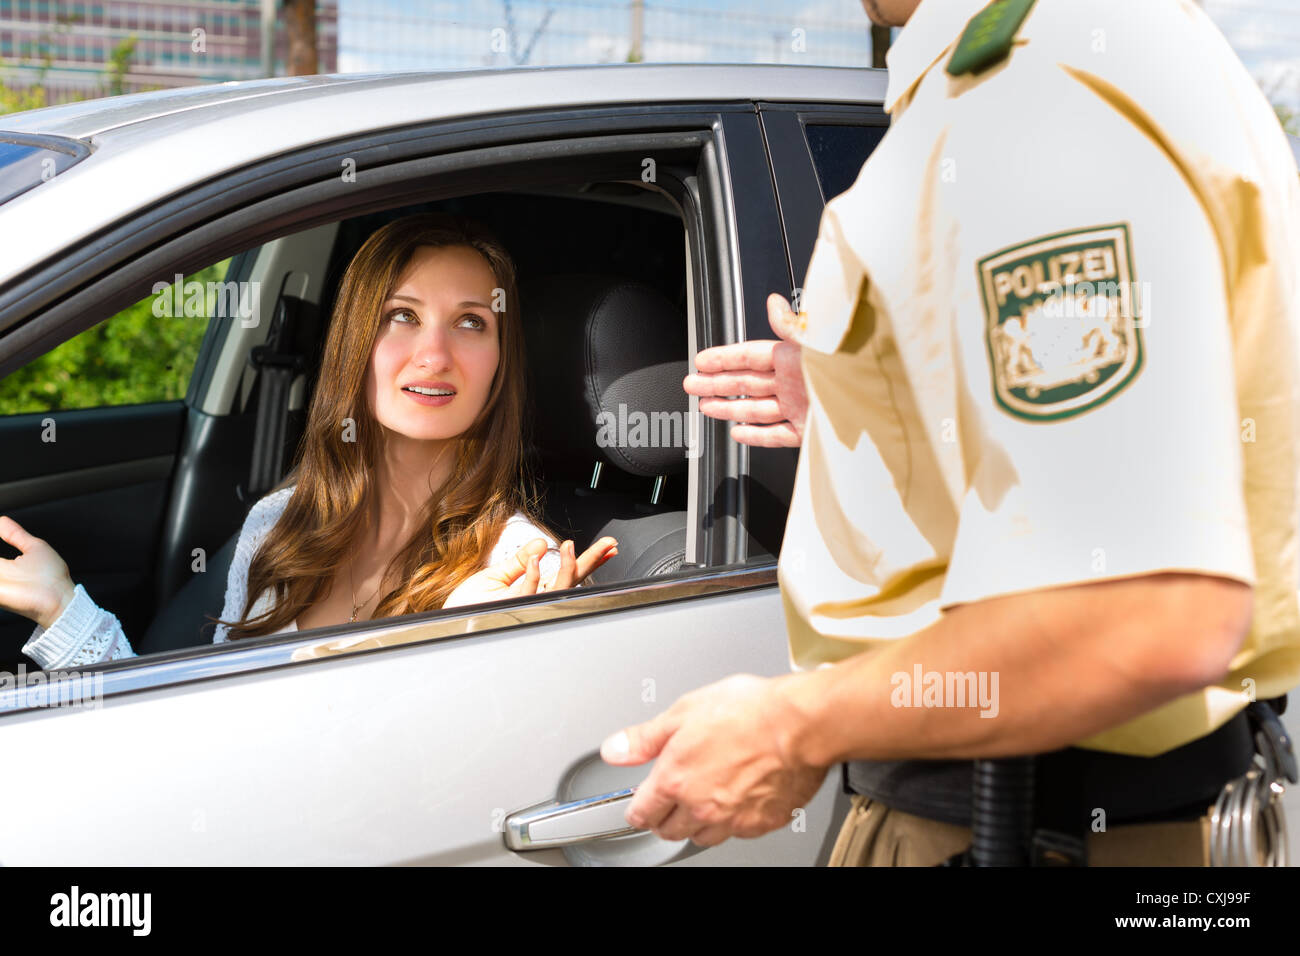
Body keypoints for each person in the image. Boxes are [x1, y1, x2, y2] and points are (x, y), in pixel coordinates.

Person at [600, 0, 1300, 866]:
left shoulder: (1034, 87)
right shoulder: (1090, 47)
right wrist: (870, 404)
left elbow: (1143, 609)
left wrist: (793, 727)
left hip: (1024, 827)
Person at [0, 213, 619, 669]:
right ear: (356, 341)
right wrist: (62, 609)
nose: (434, 355)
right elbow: (203, 739)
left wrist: (472, 641)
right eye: (401, 316)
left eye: (470, 323)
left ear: (499, 363)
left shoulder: (524, 573)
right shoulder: (280, 522)